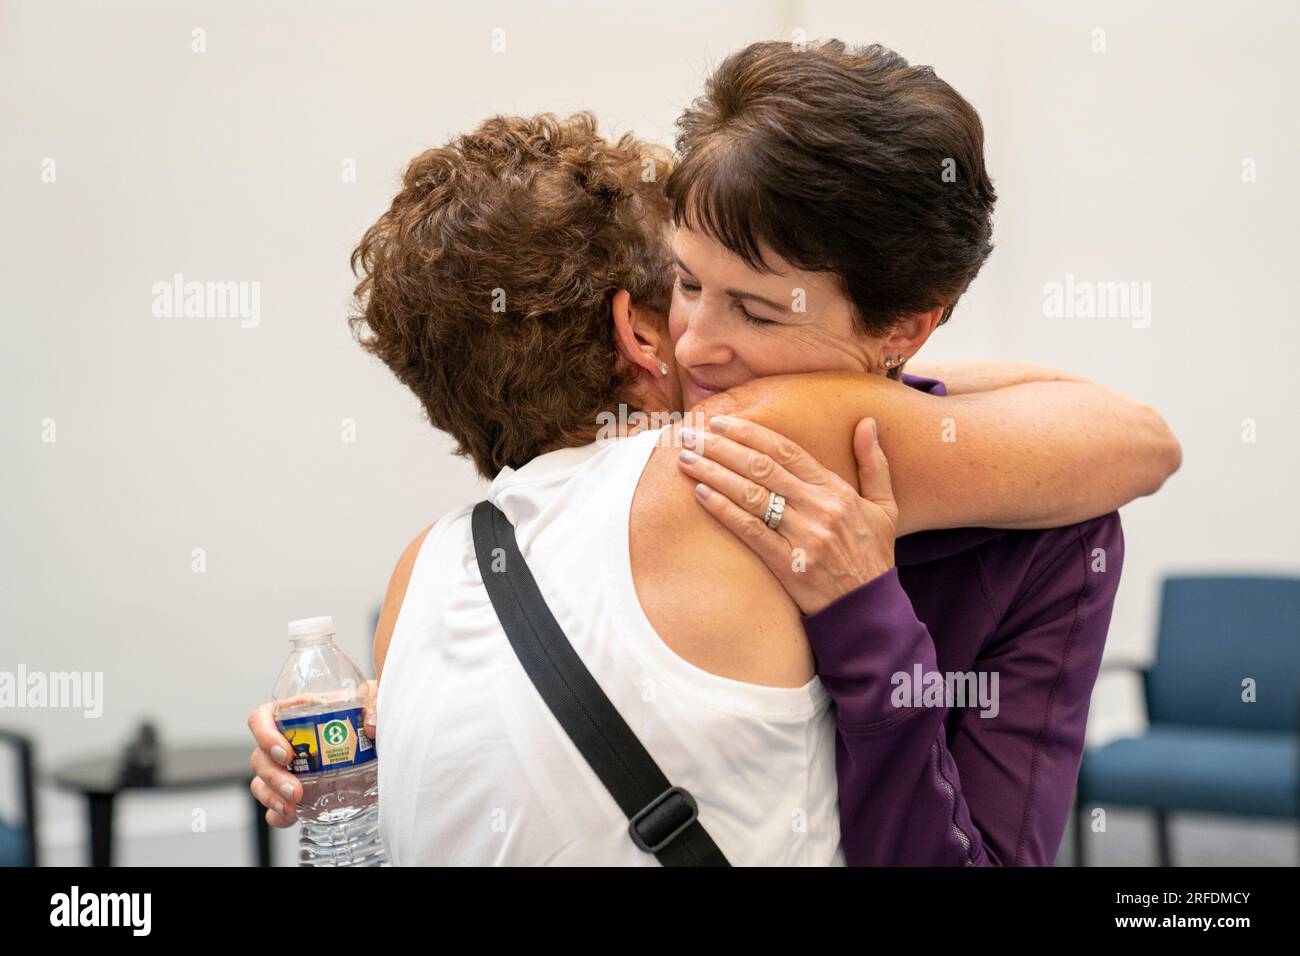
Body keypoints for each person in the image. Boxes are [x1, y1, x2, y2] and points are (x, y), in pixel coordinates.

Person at [247, 102, 1179, 863]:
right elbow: (1132, 437)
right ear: (639, 333)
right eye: (684, 287)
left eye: (748, 302)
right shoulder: (738, 445)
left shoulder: (422, 570)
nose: (701, 340)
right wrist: (884, 373)